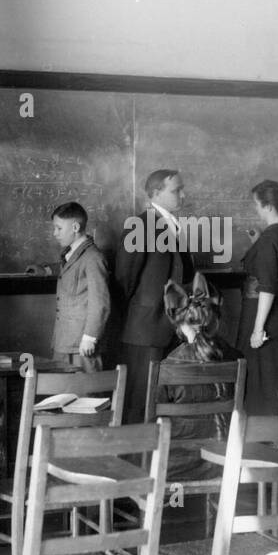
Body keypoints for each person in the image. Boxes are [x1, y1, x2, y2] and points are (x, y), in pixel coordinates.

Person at [116, 168, 194, 422]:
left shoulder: (174, 225)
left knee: (163, 404)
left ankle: (158, 460)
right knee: (140, 404)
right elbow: (124, 279)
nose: (183, 195)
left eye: (182, 189)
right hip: (145, 331)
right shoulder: (141, 225)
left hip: (171, 330)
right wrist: (143, 311)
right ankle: (136, 461)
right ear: (155, 193)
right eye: (176, 190)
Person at [157, 274, 243, 481]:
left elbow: (157, 415)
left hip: (177, 462)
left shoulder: (168, 365)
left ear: (177, 323)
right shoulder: (236, 357)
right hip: (226, 456)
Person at [236, 180, 278, 414]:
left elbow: (267, 286)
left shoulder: (269, 239)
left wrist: (257, 329)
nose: (255, 209)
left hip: (263, 314)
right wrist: (258, 244)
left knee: (262, 375)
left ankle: (261, 439)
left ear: (267, 206)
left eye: (257, 204)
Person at [50, 201, 110, 372]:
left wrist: (90, 337)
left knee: (87, 394)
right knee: (62, 394)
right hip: (64, 340)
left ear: (75, 227)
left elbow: (101, 302)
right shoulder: (71, 253)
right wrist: (46, 269)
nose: (55, 233)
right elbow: (69, 269)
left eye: (59, 228)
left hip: (82, 343)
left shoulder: (93, 257)